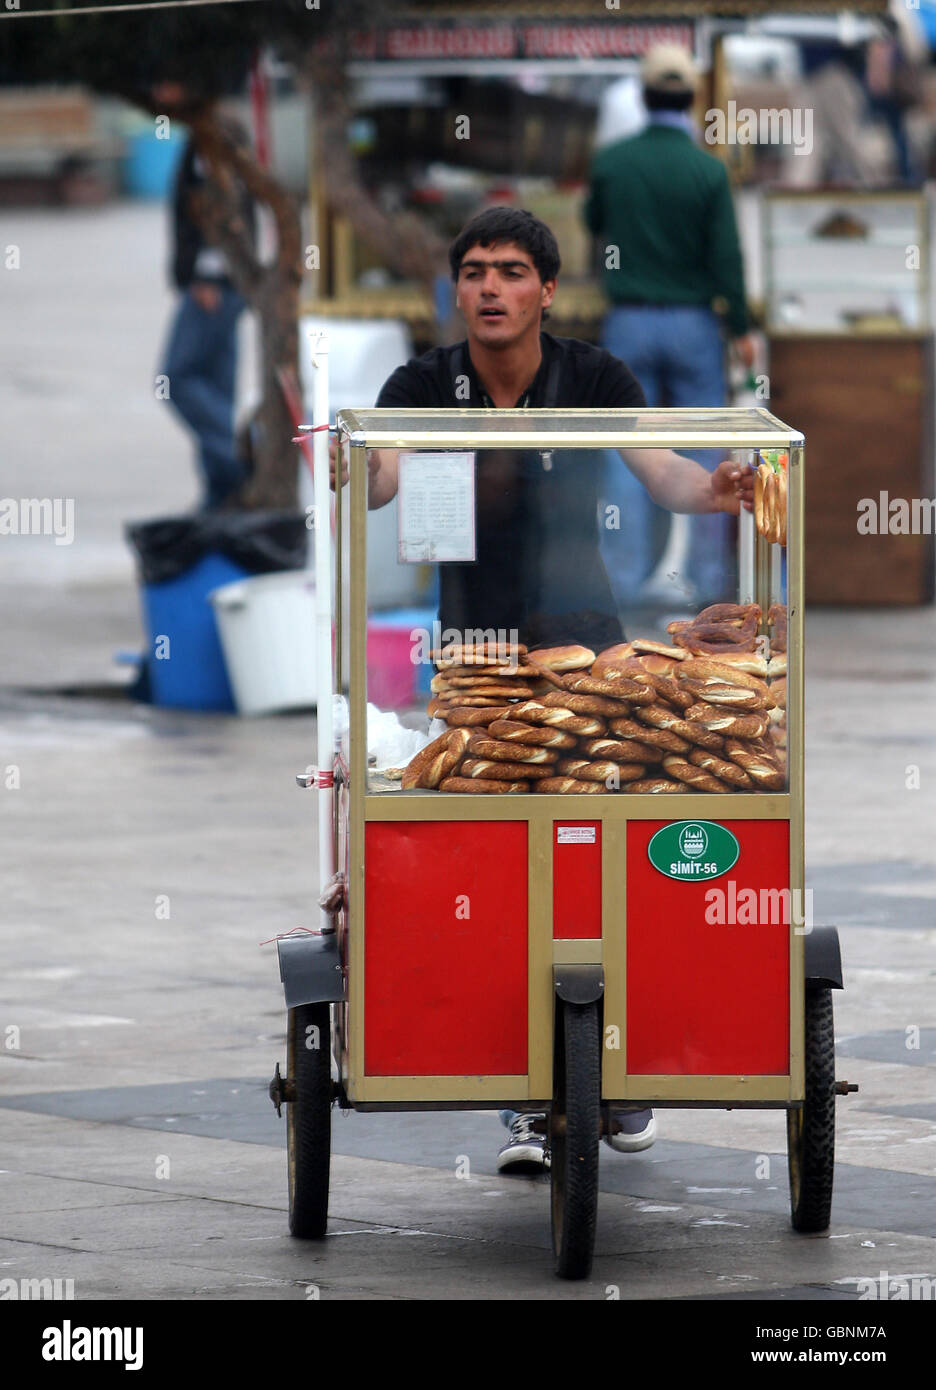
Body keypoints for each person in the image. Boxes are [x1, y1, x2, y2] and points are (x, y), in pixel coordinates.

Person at [339, 206, 752, 1173]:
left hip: (590, 654)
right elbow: (384, 474)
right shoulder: (421, 383)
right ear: (457, 289)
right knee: (495, 872)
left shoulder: (596, 376)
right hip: (476, 661)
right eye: (474, 271)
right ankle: (530, 1097)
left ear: (547, 290)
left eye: (512, 271)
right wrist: (347, 467)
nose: (490, 287)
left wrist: (720, 485)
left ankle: (622, 1074)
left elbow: (662, 472)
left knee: (607, 865)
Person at [584, 44, 755, 605]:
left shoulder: (612, 162)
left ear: (644, 94)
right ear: (691, 98)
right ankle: (706, 587)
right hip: (693, 326)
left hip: (629, 323)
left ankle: (623, 584)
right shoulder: (707, 170)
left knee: (627, 455)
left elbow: (592, 223)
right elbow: (727, 259)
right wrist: (744, 326)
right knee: (709, 459)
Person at [160, 132, 252, 511]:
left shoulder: (210, 137)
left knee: (176, 379)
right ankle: (222, 491)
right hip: (230, 283)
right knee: (216, 388)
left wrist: (207, 276)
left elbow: (220, 208)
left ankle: (239, 460)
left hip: (213, 287)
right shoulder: (213, 133)